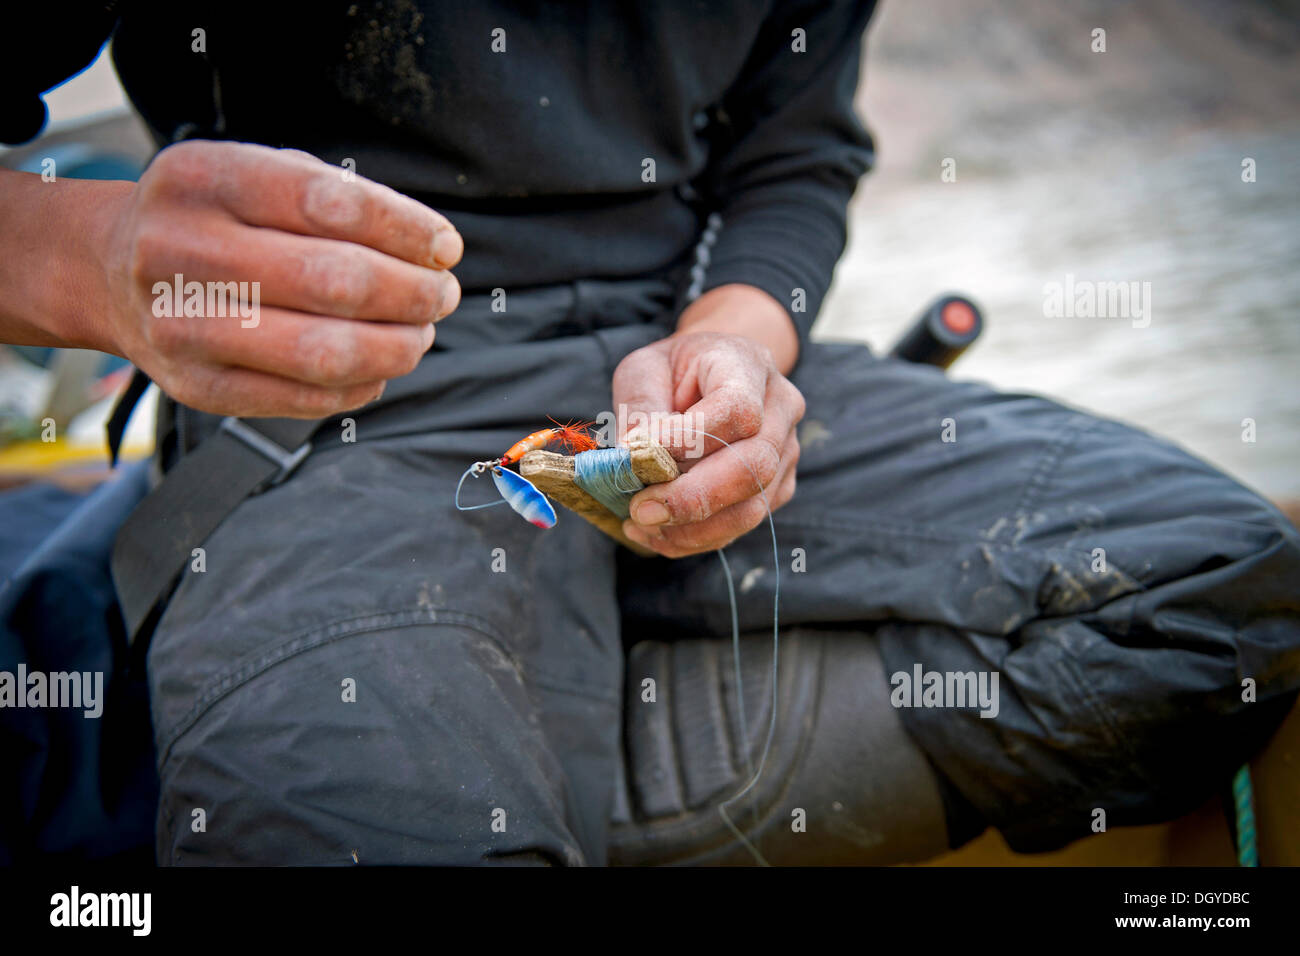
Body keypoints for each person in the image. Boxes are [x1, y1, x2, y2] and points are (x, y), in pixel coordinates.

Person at [2, 1, 1297, 866]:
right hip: (328, 414)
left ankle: (520, 755)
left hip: (664, 374)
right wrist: (93, 262)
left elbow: (793, 156)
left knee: (1220, 595)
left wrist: (737, 344)